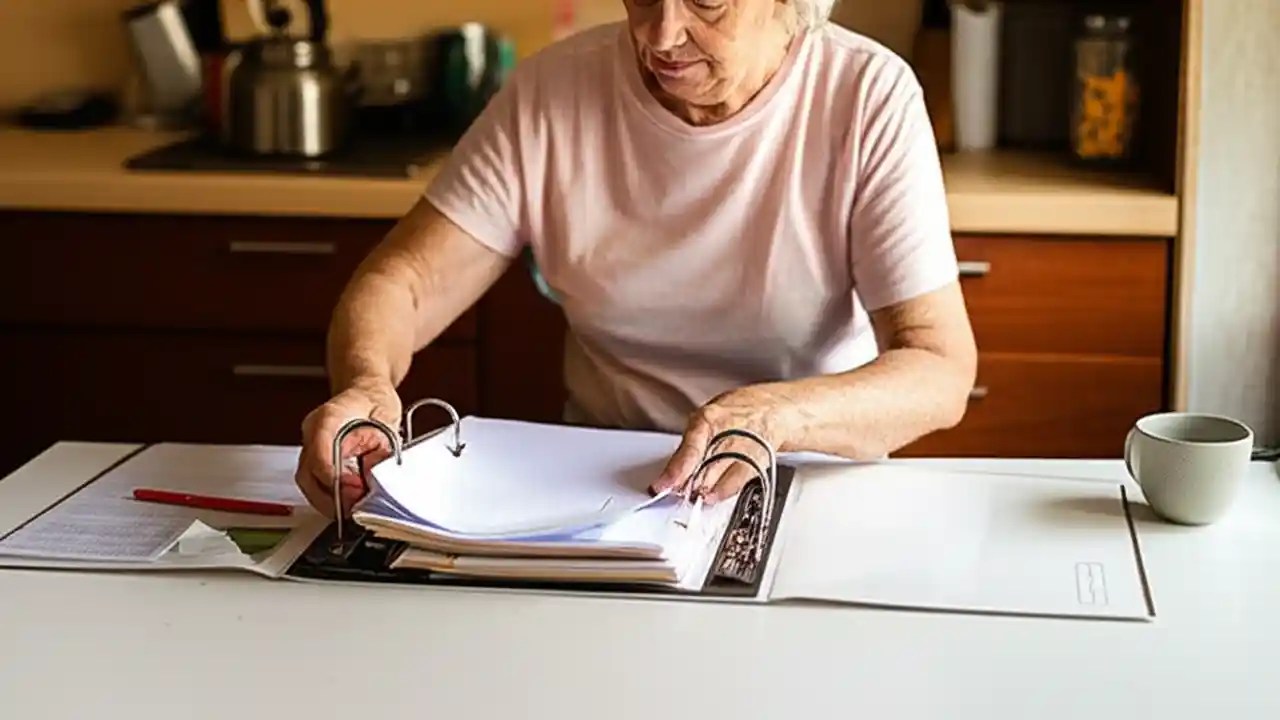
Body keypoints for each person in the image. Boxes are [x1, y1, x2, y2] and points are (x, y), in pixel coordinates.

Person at [293, 0, 978, 517]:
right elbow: (404, 281)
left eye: (705, 0)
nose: (659, 33)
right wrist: (364, 384)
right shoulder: (552, 92)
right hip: (599, 495)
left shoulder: (866, 96)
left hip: (806, 483)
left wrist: (773, 419)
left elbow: (938, 369)